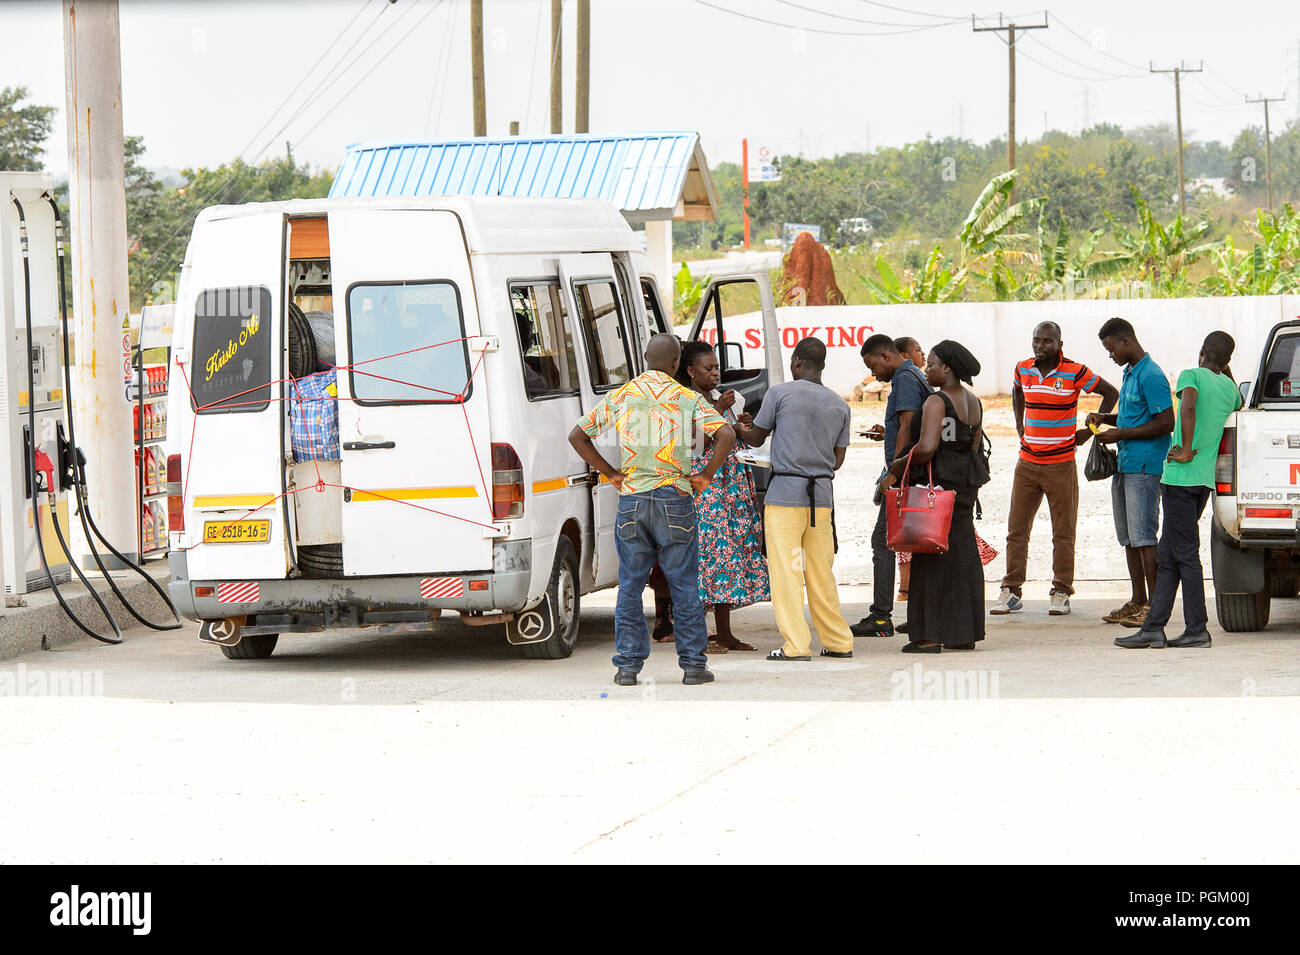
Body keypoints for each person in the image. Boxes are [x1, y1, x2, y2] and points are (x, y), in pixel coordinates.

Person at [568, 334, 736, 687]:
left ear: (645, 357)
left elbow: (578, 436)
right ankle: (693, 667)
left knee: (630, 585)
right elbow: (726, 435)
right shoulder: (686, 397)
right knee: (684, 585)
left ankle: (627, 667)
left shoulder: (622, 395)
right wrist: (705, 475)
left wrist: (611, 473)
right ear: (677, 363)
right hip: (675, 498)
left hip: (632, 502)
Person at [732, 338, 856, 661]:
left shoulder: (779, 393)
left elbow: (757, 437)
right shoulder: (840, 405)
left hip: (785, 494)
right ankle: (839, 641)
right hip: (822, 499)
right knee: (820, 571)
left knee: (787, 572)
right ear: (823, 366)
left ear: (797, 362)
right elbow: (837, 460)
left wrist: (739, 428)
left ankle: (796, 645)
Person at [1116, 332, 1242, 649]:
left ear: (1201, 351)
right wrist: (1224, 369)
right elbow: (1237, 401)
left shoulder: (1190, 376)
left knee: (1185, 555)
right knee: (1168, 555)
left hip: (1181, 476)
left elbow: (1187, 408)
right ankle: (1154, 627)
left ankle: (1197, 629)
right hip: (1202, 482)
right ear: (1227, 362)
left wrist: (1185, 448)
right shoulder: (1229, 388)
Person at [993, 321, 1118, 616]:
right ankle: (1010, 590)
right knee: (1017, 530)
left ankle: (1061, 591)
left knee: (1063, 532)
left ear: (1060, 344)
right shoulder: (1022, 368)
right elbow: (1017, 393)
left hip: (1061, 463)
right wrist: (1019, 424)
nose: (1040, 346)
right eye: (1036, 340)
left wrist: (1089, 429)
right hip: (1027, 462)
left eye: (1047, 341)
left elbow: (1110, 393)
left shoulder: (1076, 372)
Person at [879, 341, 991, 651]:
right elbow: (973, 446)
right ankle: (963, 631)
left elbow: (927, 447)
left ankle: (928, 635)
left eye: (932, 365)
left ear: (948, 369)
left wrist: (897, 466)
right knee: (963, 553)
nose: (927, 370)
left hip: (937, 483)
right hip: (966, 482)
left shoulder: (936, 402)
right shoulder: (974, 401)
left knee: (929, 554)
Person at [676, 341, 770, 653]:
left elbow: (731, 435)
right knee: (705, 555)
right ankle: (697, 636)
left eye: (717, 368)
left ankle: (725, 633)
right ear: (691, 371)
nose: (715, 373)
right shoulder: (685, 401)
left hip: (731, 485)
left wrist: (739, 425)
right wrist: (716, 413)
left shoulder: (723, 399)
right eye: (708, 368)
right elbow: (691, 444)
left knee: (728, 554)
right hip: (706, 485)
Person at [1086, 318, 1175, 629]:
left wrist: (1121, 433)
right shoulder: (1130, 373)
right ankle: (1138, 600)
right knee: (1129, 538)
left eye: (1111, 348)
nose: (1110, 355)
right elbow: (1133, 416)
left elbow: (1167, 423)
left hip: (1144, 467)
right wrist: (1107, 419)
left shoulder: (1151, 375)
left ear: (1125, 341)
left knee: (1144, 538)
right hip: (1125, 464)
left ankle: (1155, 607)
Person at [853, 334, 932, 637]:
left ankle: (881, 618)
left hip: (906, 475)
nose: (873, 374)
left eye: (872, 364)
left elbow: (909, 426)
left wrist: (894, 474)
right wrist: (885, 432)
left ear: (886, 355)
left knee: (882, 542)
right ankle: (918, 614)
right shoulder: (912, 375)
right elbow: (903, 426)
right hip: (912, 472)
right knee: (916, 544)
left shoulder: (906, 378)